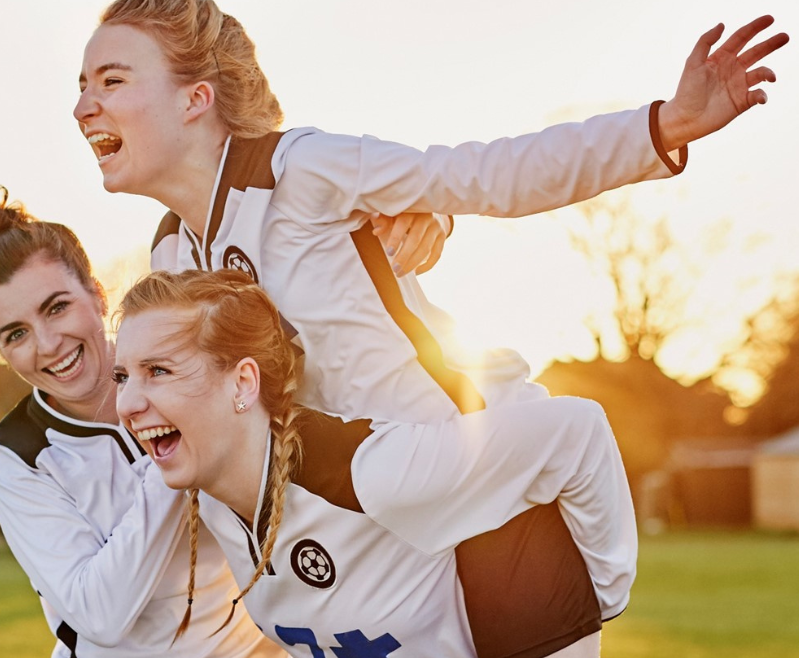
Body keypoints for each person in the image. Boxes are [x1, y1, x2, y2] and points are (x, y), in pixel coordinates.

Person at [74, 0, 788, 655]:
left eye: (110, 81)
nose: (83, 107)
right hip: (370, 543)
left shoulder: (305, 170)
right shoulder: (171, 253)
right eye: (81, 87)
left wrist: (665, 125)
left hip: (483, 507)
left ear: (196, 96)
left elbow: (486, 174)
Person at [112, 268, 635, 658]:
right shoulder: (213, 493)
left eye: (158, 371)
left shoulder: (373, 474)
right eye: (123, 377)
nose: (128, 403)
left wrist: (602, 594)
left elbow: (577, 431)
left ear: (244, 383)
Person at [0, 192, 287, 657]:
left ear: (96, 293)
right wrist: (171, 445)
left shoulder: (194, 362)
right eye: (16, 334)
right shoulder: (16, 459)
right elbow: (98, 615)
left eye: (57, 307)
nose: (48, 344)